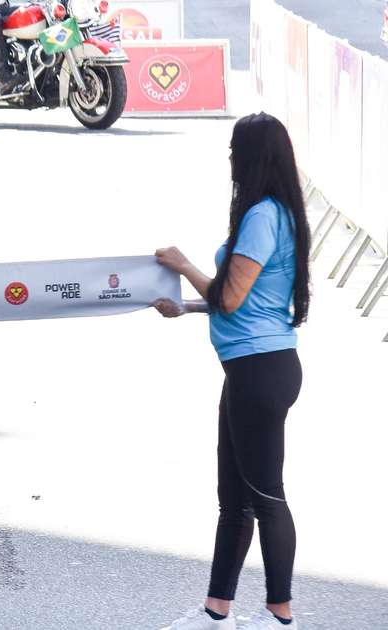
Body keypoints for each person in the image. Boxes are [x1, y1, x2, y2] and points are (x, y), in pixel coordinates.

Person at [153, 113, 310, 630]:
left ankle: (280, 615)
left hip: (259, 373)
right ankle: (217, 612)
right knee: (234, 500)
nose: (229, 161)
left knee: (265, 496)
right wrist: (187, 309)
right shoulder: (278, 213)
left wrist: (183, 266)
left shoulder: (265, 216)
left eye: (233, 151)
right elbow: (244, 304)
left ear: (251, 158)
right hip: (254, 367)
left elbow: (228, 295)